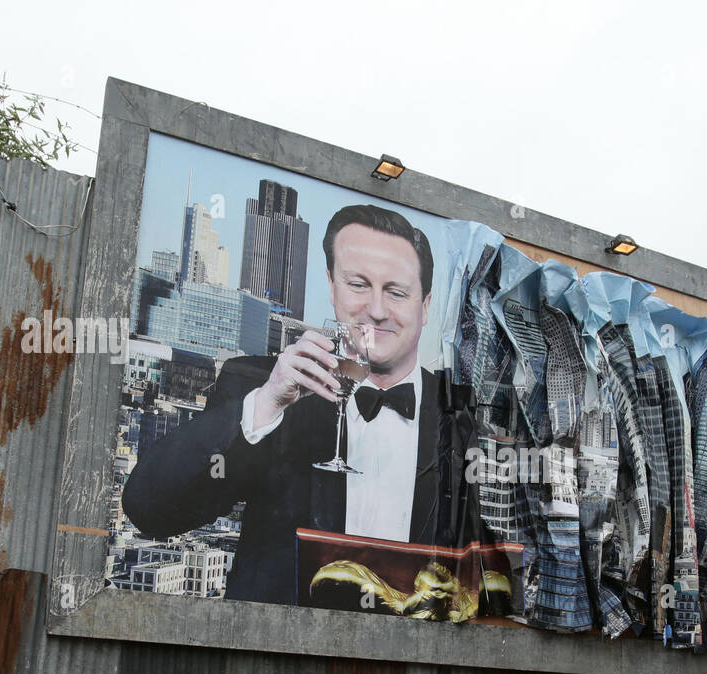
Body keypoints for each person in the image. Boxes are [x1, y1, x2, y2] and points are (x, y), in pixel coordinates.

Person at [123, 204, 473, 605]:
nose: (376, 310)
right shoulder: (259, 383)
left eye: (396, 292)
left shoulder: (457, 414)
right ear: (331, 284)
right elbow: (149, 510)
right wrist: (268, 403)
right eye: (358, 284)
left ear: (425, 305)